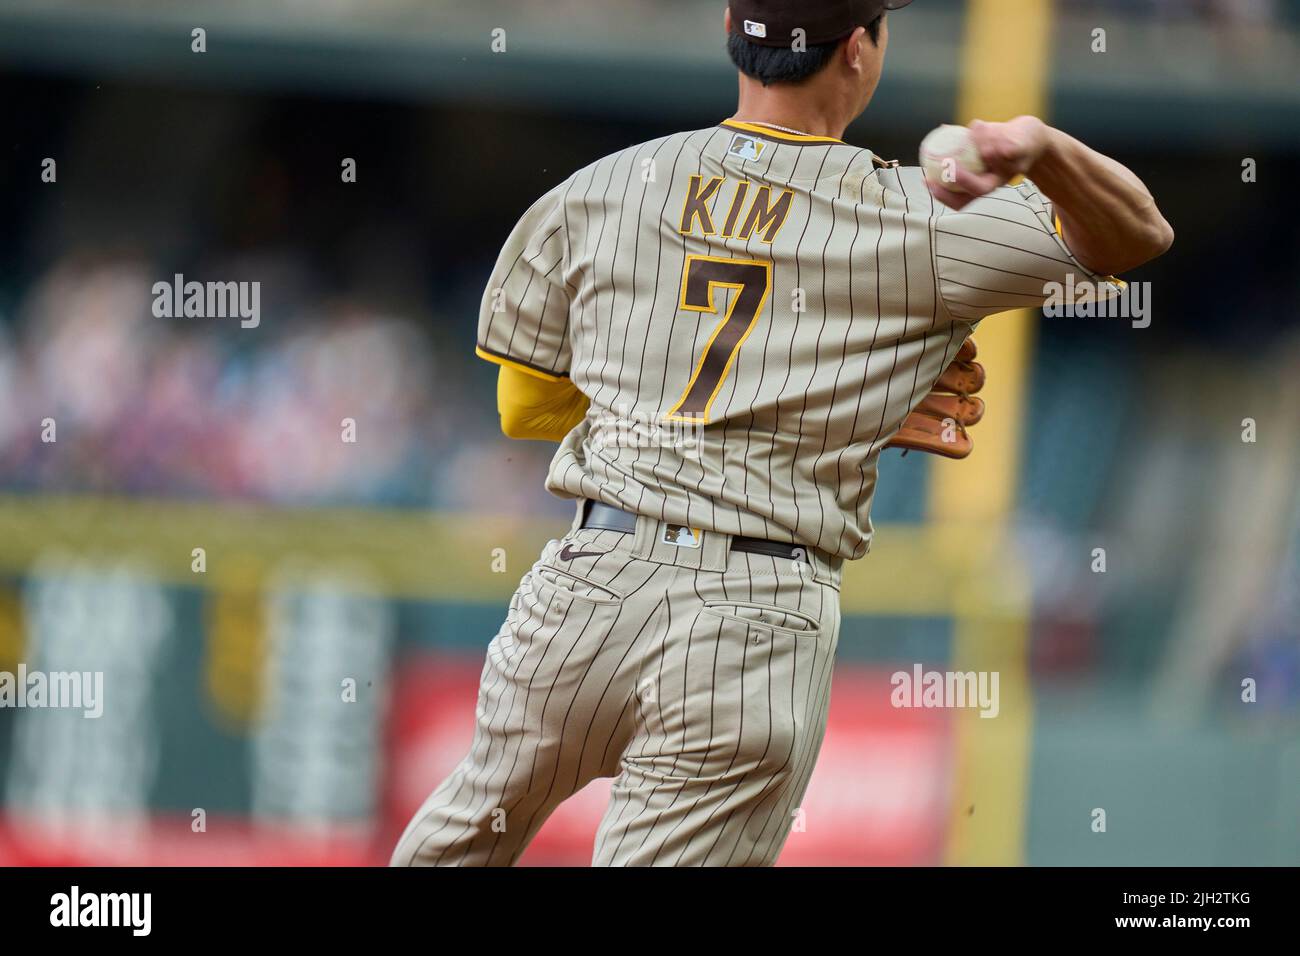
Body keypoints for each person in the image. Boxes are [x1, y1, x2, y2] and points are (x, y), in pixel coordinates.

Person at [391, 0, 1173, 867]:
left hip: (586, 590)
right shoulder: (918, 221)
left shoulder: (606, 186)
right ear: (860, 50)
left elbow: (523, 409)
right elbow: (1136, 234)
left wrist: (730, 411)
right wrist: (1040, 147)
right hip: (755, 614)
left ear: (731, 25)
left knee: (451, 849)